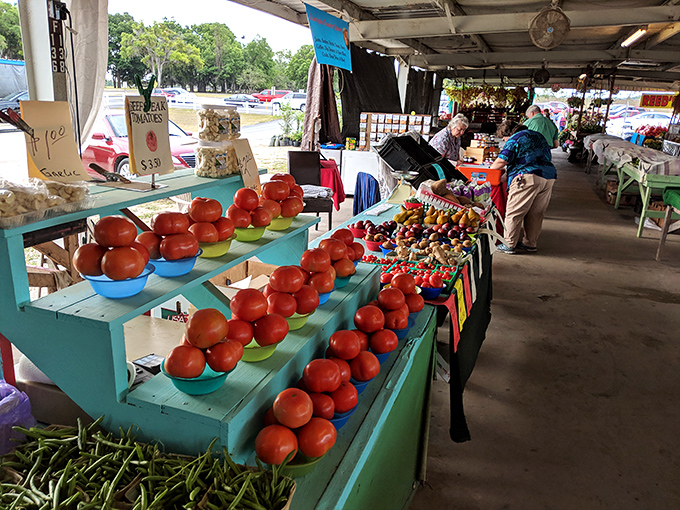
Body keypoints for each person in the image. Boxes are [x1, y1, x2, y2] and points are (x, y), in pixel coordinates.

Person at [489, 120, 557, 254]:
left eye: (504, 138)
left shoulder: (516, 138)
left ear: (508, 133)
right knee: (536, 213)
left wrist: (491, 170)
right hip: (548, 176)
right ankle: (530, 243)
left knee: (514, 211)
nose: (504, 140)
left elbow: (502, 160)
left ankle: (508, 244)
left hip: (527, 177)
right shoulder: (537, 135)